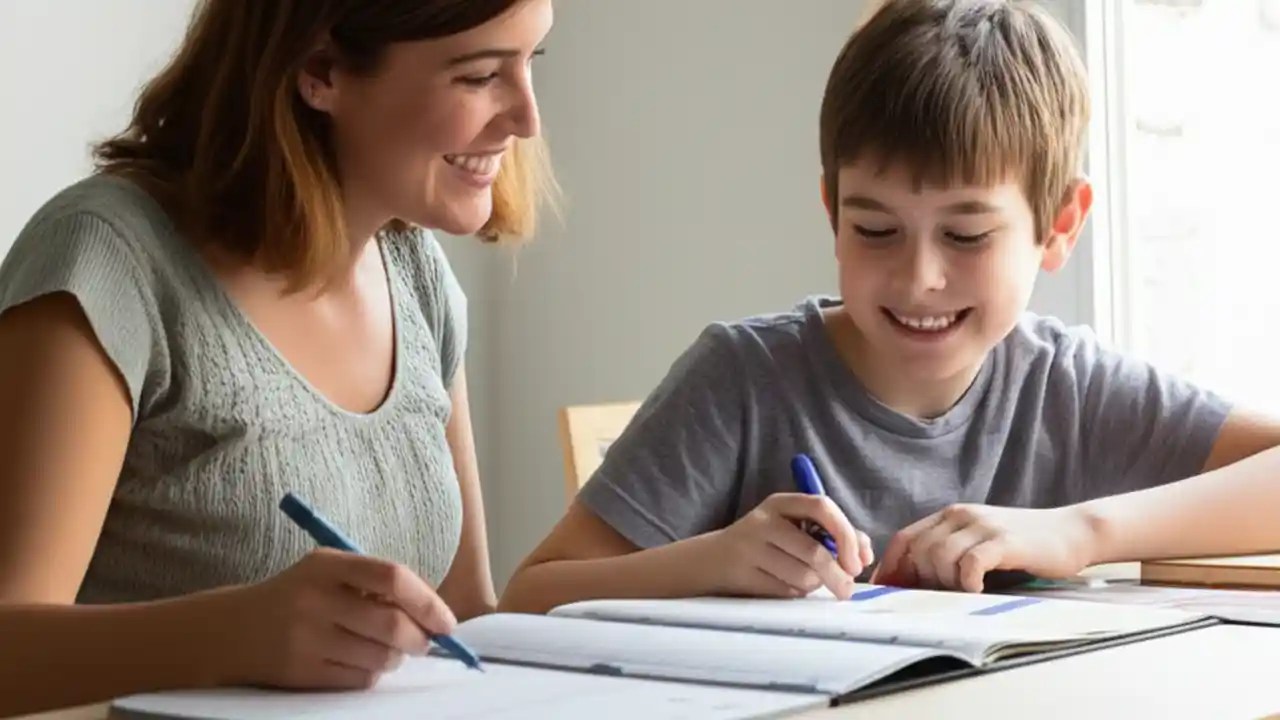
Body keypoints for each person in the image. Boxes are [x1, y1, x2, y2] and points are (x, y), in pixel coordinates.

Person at [499, 0, 1280, 616]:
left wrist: (1078, 533)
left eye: (967, 234)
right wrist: (714, 560)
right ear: (831, 211)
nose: (918, 278)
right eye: (875, 229)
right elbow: (527, 596)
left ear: (1059, 226)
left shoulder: (1065, 387)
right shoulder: (744, 377)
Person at [0, 0, 555, 715]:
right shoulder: (109, 261)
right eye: (479, 75)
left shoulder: (416, 273)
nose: (527, 119)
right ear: (319, 70)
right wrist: (233, 633)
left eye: (530, 62)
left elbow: (462, 617)